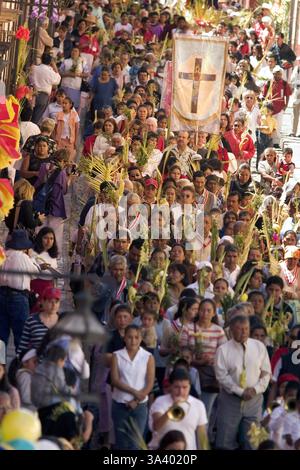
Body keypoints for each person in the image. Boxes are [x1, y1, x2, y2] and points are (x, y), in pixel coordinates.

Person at [214, 315, 271, 450]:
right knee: (224, 441)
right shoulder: (223, 350)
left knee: (253, 441)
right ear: (231, 330)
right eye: (239, 329)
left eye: (246, 329)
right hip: (230, 400)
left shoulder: (259, 347)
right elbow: (221, 376)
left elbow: (266, 373)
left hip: (254, 400)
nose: (244, 332)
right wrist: (240, 391)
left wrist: (255, 390)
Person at [111, 325, 155, 450]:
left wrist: (136, 400)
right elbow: (115, 380)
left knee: (135, 443)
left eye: (136, 337)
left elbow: (149, 383)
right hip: (120, 403)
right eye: (129, 337)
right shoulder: (117, 355)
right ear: (124, 338)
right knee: (121, 442)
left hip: (139, 406)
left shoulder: (148, 357)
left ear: (141, 338)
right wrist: (134, 392)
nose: (133, 340)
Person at [0, 230, 42, 350]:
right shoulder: (24, 258)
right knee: (21, 336)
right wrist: (32, 259)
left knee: (1, 335)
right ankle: (20, 364)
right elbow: (35, 273)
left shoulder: (3, 255)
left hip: (1, 295)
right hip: (18, 297)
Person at [148, 368, 208, 450]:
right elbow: (156, 427)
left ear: (190, 386)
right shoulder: (160, 401)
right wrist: (172, 408)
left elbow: (202, 435)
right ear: (170, 386)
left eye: (185, 387)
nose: (181, 391)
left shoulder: (198, 405)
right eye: (176, 387)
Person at [17, 287, 61, 355]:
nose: (54, 305)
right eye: (50, 301)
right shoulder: (32, 320)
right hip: (36, 363)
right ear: (43, 301)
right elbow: (22, 346)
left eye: (56, 302)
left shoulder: (63, 321)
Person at [30, 227, 59, 308]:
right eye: (45, 238)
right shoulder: (34, 253)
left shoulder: (52, 255)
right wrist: (39, 267)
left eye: (51, 238)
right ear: (40, 239)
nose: (49, 241)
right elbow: (30, 270)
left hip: (49, 287)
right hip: (37, 286)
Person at [30, 54, 61, 125]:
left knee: (27, 115)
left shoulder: (34, 68)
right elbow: (58, 79)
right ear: (50, 62)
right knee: (35, 120)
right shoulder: (50, 72)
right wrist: (54, 66)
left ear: (41, 59)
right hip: (43, 97)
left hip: (31, 94)